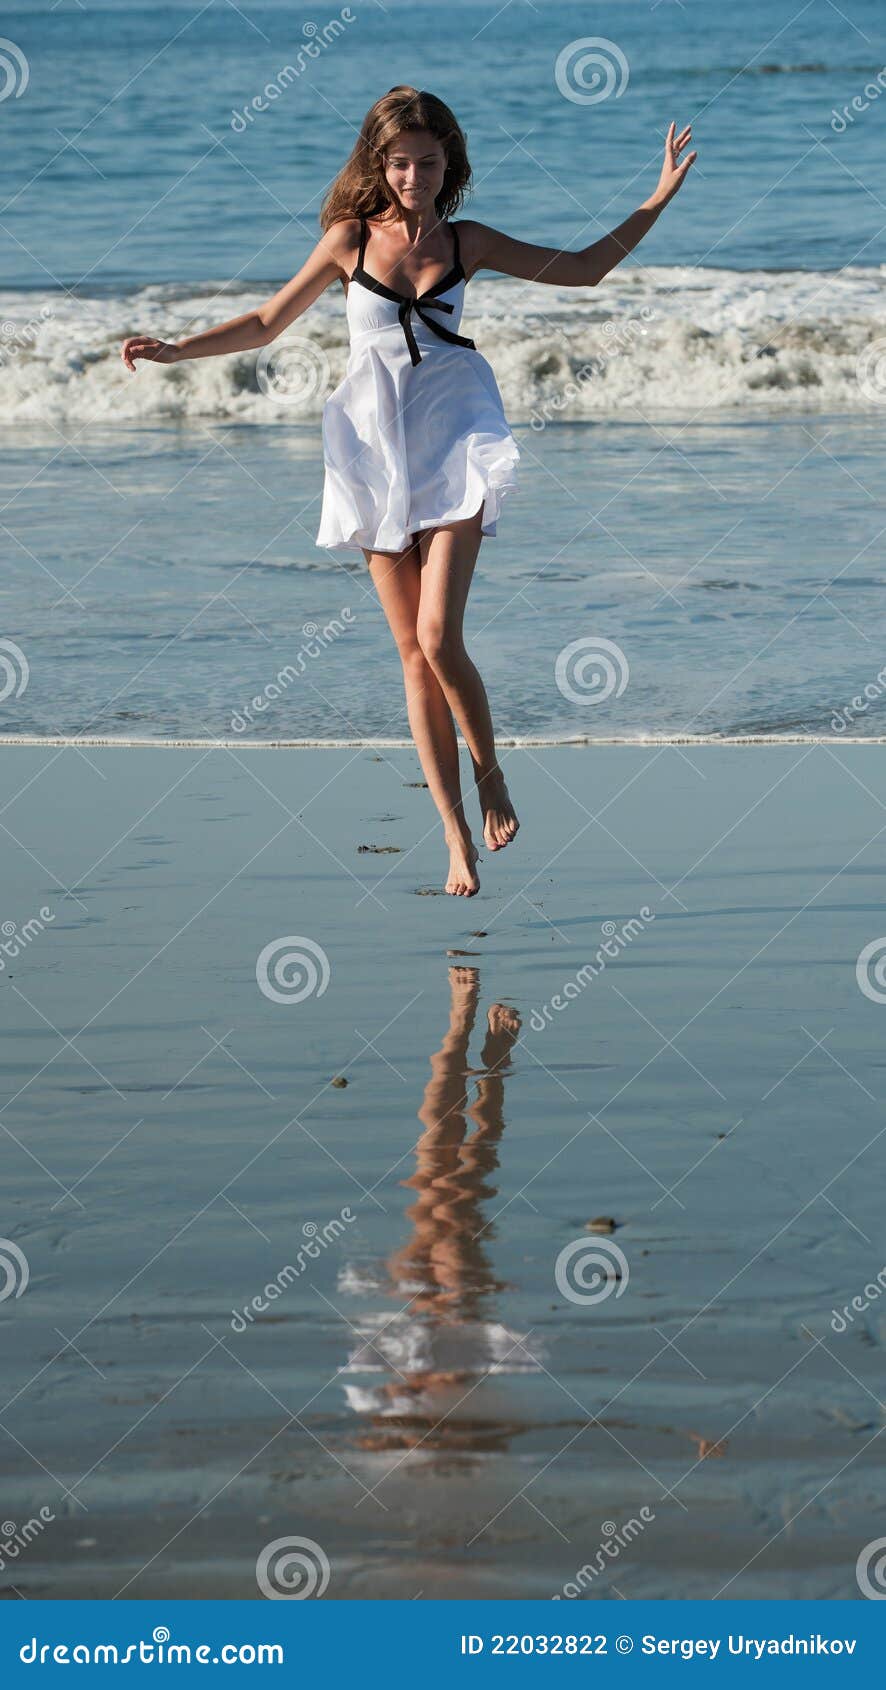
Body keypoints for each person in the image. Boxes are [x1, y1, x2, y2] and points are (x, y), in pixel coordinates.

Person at [120, 86, 696, 897]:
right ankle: (454, 833)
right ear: (378, 165)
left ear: (447, 163)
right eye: (400, 163)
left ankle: (491, 771)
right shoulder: (347, 241)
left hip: (459, 437)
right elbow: (264, 321)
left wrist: (655, 199)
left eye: (429, 162)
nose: (414, 176)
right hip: (372, 449)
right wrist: (180, 350)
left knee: (437, 634)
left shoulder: (469, 241)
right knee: (412, 657)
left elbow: (585, 270)